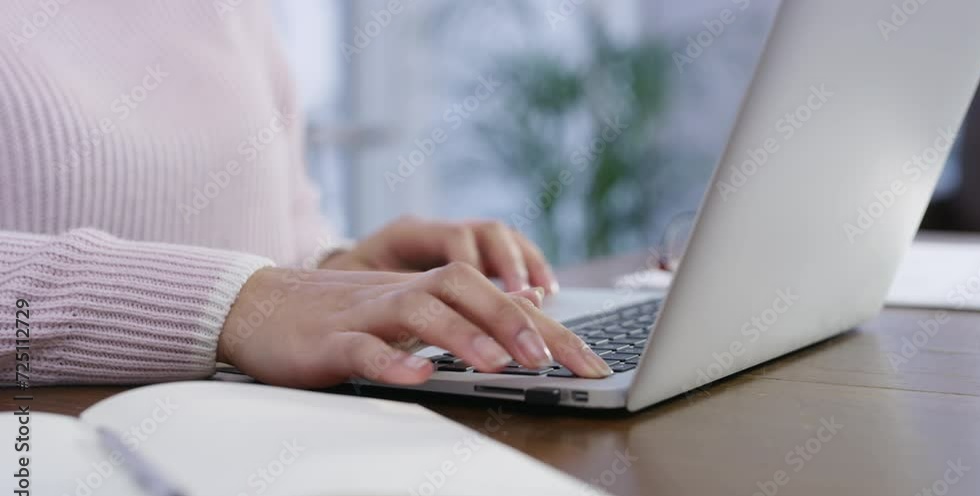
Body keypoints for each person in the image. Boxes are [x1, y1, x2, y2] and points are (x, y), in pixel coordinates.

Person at [0, 0, 612, 388]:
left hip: (262, 427)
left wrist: (336, 271)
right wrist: (234, 304)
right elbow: (241, 295)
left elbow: (276, 224)